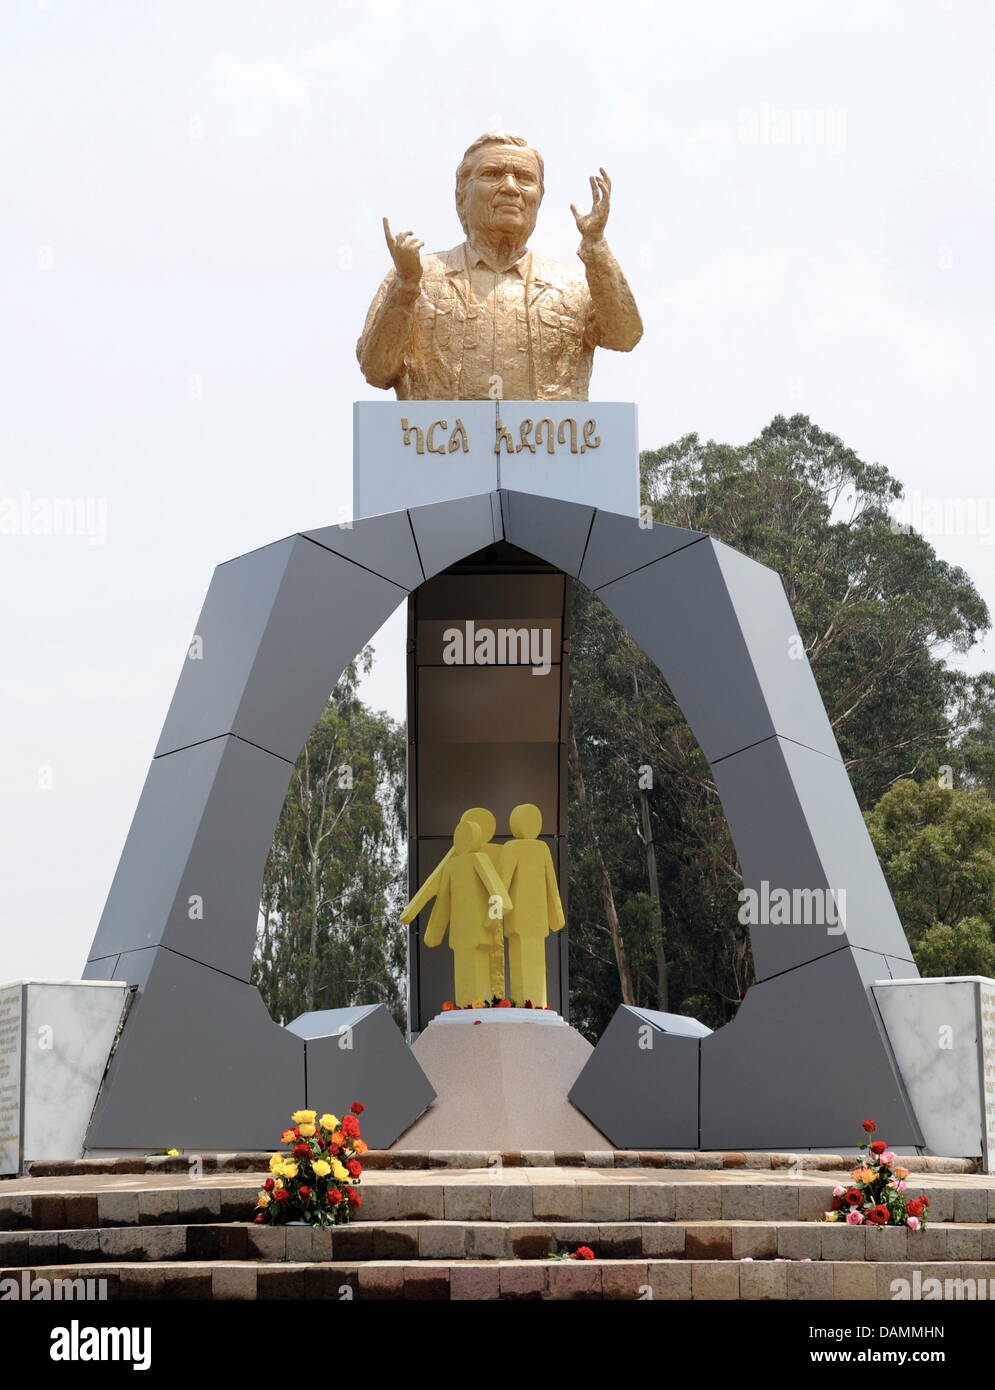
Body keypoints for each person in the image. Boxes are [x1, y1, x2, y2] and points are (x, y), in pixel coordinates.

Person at [357, 130, 642, 402]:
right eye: (492, 174)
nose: (510, 187)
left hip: (551, 449)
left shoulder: (573, 285)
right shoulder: (417, 276)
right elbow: (377, 370)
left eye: (524, 178)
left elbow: (624, 336)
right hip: (438, 446)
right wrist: (406, 287)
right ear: (461, 196)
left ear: (538, 199)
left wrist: (595, 245)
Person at [497, 803, 565, 1007]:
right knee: (530, 964)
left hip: (521, 918)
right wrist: (557, 915)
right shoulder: (541, 848)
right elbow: (551, 884)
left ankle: (529, 1004)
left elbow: (501, 883)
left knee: (526, 964)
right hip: (536, 919)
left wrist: (493, 913)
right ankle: (533, 1004)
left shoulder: (512, 847)